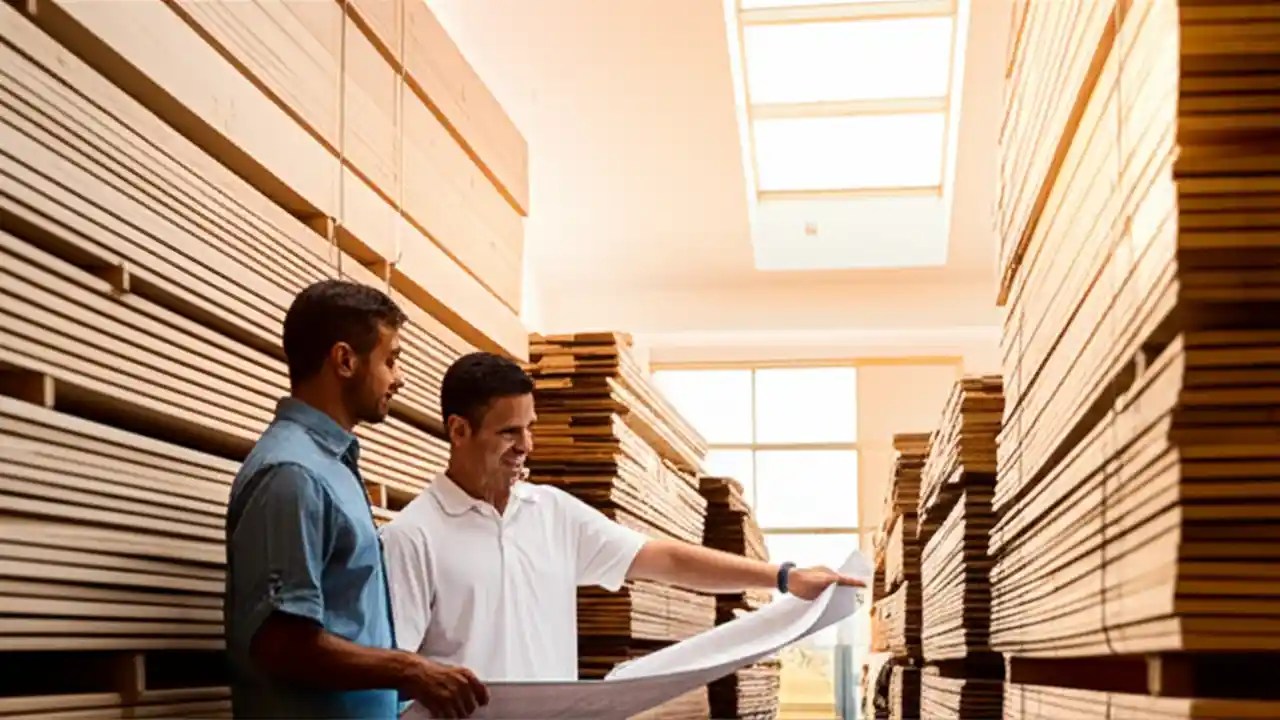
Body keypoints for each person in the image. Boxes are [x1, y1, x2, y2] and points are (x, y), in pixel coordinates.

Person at [380, 351, 863, 686]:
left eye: (530, 428)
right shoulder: (412, 537)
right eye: (509, 432)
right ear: (459, 431)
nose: (527, 446)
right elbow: (396, 674)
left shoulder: (551, 513)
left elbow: (666, 560)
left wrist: (783, 576)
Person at [224, 279, 488, 719]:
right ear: (345, 360)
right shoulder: (293, 475)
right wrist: (410, 669)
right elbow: (281, 643)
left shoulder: (330, 467)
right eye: (391, 360)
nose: (398, 379)